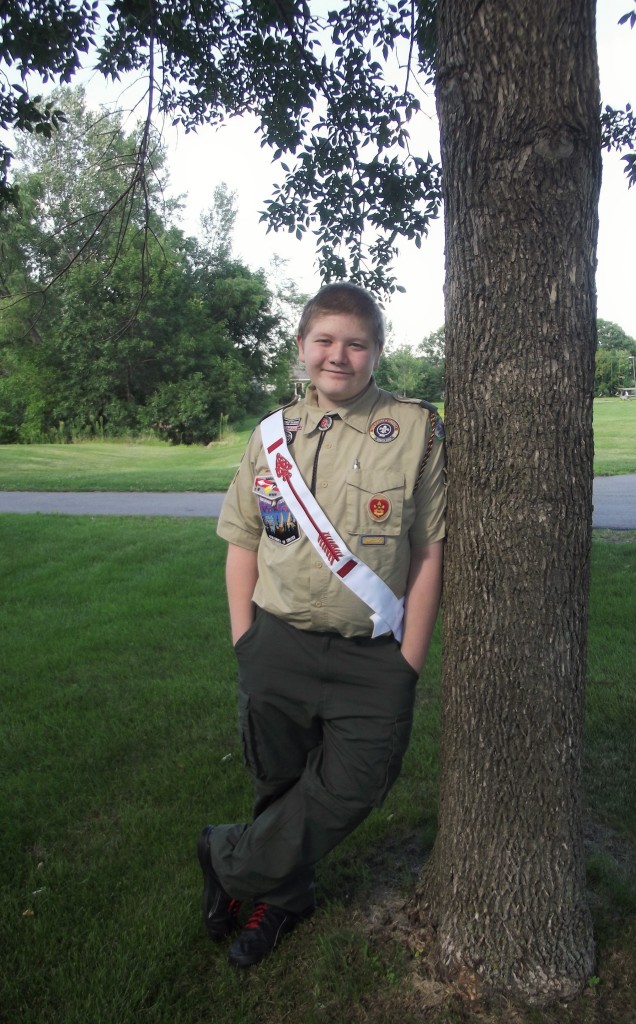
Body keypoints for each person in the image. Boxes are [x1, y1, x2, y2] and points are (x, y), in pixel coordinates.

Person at [198, 282, 446, 968]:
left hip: (373, 655)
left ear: (377, 352)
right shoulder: (271, 435)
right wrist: (244, 637)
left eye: (356, 344)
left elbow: (430, 550)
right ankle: (280, 900)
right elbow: (243, 538)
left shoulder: (417, 429)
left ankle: (225, 857)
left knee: (358, 782)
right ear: (303, 348)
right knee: (279, 784)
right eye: (325, 341)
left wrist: (409, 660)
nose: (339, 356)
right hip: (276, 643)